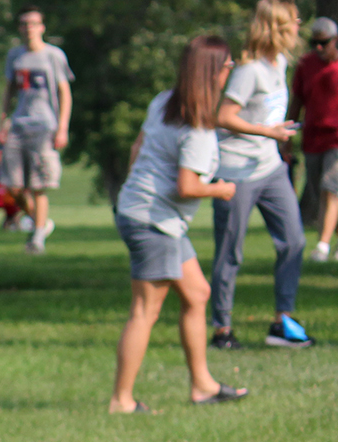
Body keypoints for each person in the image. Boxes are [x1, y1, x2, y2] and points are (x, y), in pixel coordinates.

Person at [110, 35, 247, 413]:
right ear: (214, 73)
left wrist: (136, 191)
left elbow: (137, 148)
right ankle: (121, 400)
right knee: (145, 311)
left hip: (147, 213)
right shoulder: (197, 129)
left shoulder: (163, 102)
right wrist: (221, 190)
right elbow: (186, 187)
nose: (231, 71)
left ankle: (202, 386)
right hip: (154, 222)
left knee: (197, 294)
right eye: (229, 65)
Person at [209, 0, 311, 350]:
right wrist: (269, 132)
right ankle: (222, 330)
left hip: (270, 168)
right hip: (235, 172)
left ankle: (282, 323)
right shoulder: (248, 71)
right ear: (278, 27)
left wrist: (279, 134)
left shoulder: (279, 63)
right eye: (294, 21)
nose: (299, 27)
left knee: (294, 241)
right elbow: (223, 117)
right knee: (230, 252)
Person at [0, 7, 73, 252]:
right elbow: (8, 91)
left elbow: (64, 92)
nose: (28, 28)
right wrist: (3, 122)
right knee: (13, 186)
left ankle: (37, 237)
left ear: (42, 27)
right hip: (18, 125)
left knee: (39, 184)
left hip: (44, 126)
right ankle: (40, 221)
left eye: (33, 23)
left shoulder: (53, 55)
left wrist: (62, 127)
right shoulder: (15, 55)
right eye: (24, 23)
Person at [293, 19, 338, 262]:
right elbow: (297, 100)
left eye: (324, 42)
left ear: (335, 40)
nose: (318, 47)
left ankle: (322, 247)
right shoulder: (305, 65)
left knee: (330, 189)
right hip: (312, 138)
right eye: (314, 43)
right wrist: (288, 134)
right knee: (325, 194)